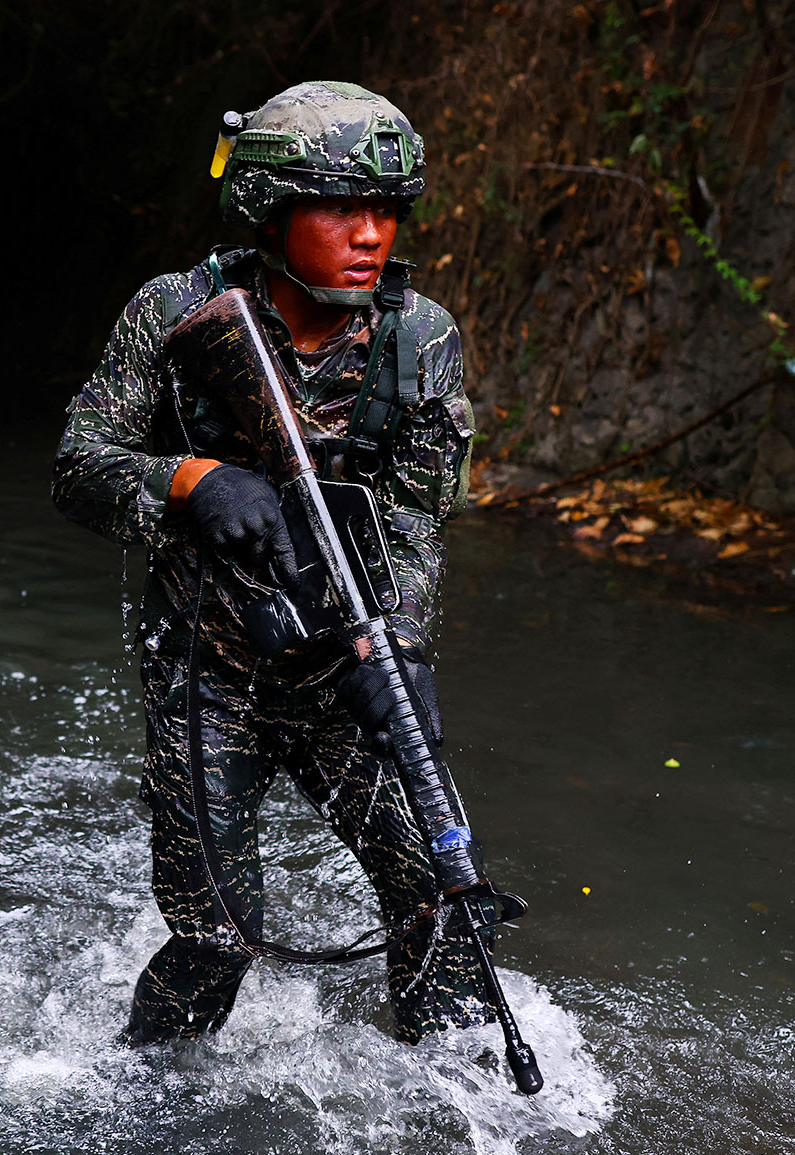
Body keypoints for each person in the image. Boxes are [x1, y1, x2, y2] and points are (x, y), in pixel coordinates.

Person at [52, 81, 486, 1047]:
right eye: (340, 207)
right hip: (209, 677)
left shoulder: (420, 340)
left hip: (346, 663)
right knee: (217, 938)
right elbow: (78, 468)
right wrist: (189, 480)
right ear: (268, 208)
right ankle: (148, 1101)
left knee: (440, 896)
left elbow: (415, 520)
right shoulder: (176, 311)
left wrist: (401, 649)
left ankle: (448, 1101)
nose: (369, 233)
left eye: (386, 210)